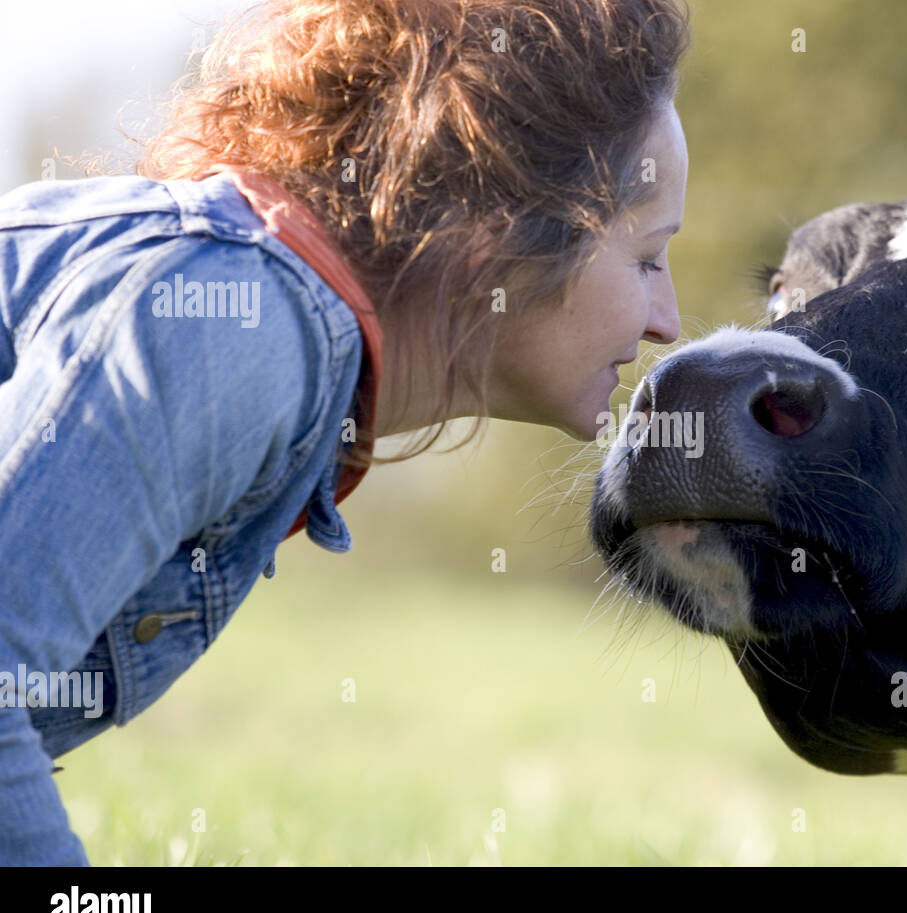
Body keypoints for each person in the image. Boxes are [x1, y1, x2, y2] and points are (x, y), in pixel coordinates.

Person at [0, 0, 691, 865]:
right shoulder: (238, 327)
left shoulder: (272, 334)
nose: (667, 320)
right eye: (647, 257)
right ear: (505, 234)